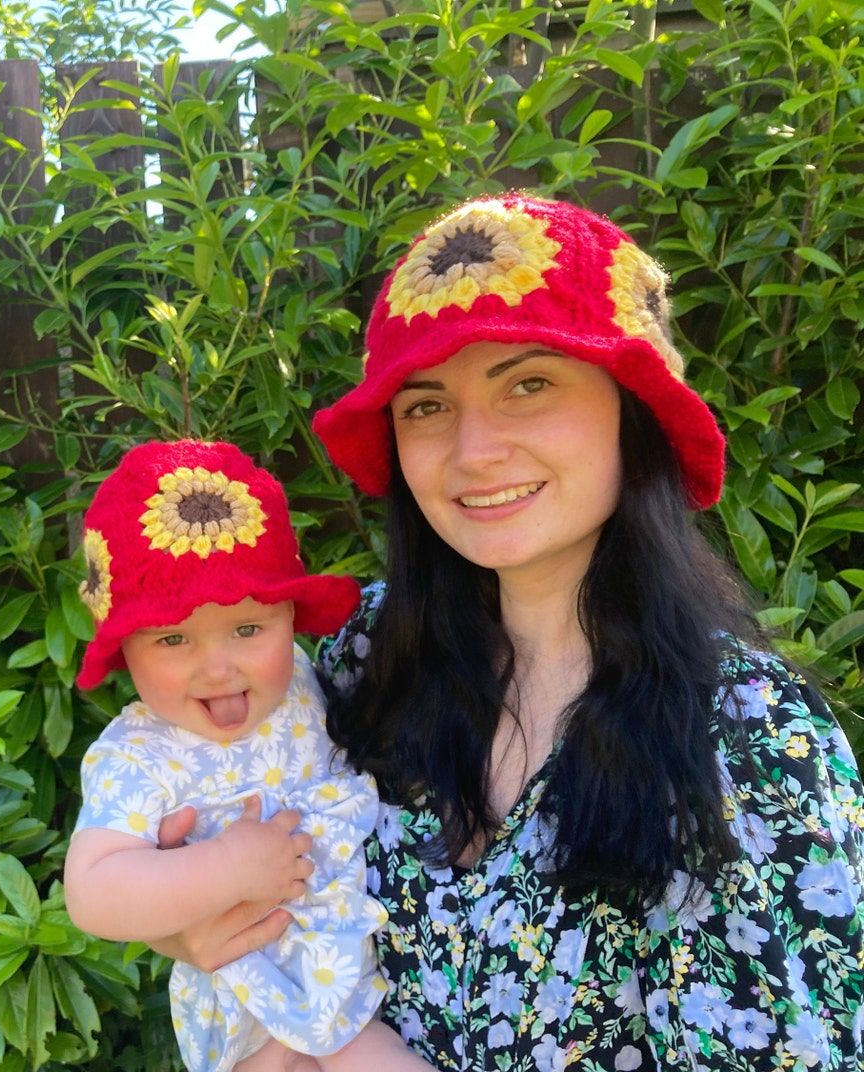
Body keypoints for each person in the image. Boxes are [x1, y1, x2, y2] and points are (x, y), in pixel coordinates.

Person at [150, 195, 864, 1070]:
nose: (474, 451)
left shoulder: (751, 740)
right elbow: (220, 877)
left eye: (529, 384)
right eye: (425, 406)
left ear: (631, 410)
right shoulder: (368, 656)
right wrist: (193, 925)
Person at [63, 439, 435, 1072]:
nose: (218, 667)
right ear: (125, 650)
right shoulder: (140, 756)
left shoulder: (300, 685)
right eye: (173, 639)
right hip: (249, 1013)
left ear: (290, 615)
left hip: (349, 999)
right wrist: (226, 868)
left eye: (247, 628)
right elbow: (93, 892)